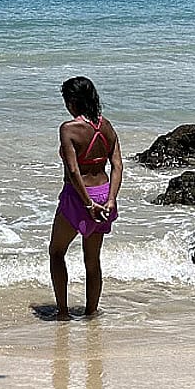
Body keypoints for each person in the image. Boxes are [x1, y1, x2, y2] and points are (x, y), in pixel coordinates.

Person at [49, 76, 122, 320]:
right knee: (92, 260)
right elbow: (117, 165)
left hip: (78, 198)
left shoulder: (68, 129)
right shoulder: (107, 127)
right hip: (103, 193)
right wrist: (110, 199)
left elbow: (73, 170)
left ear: (72, 102)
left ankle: (63, 313)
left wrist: (88, 204)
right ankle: (91, 314)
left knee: (57, 252)